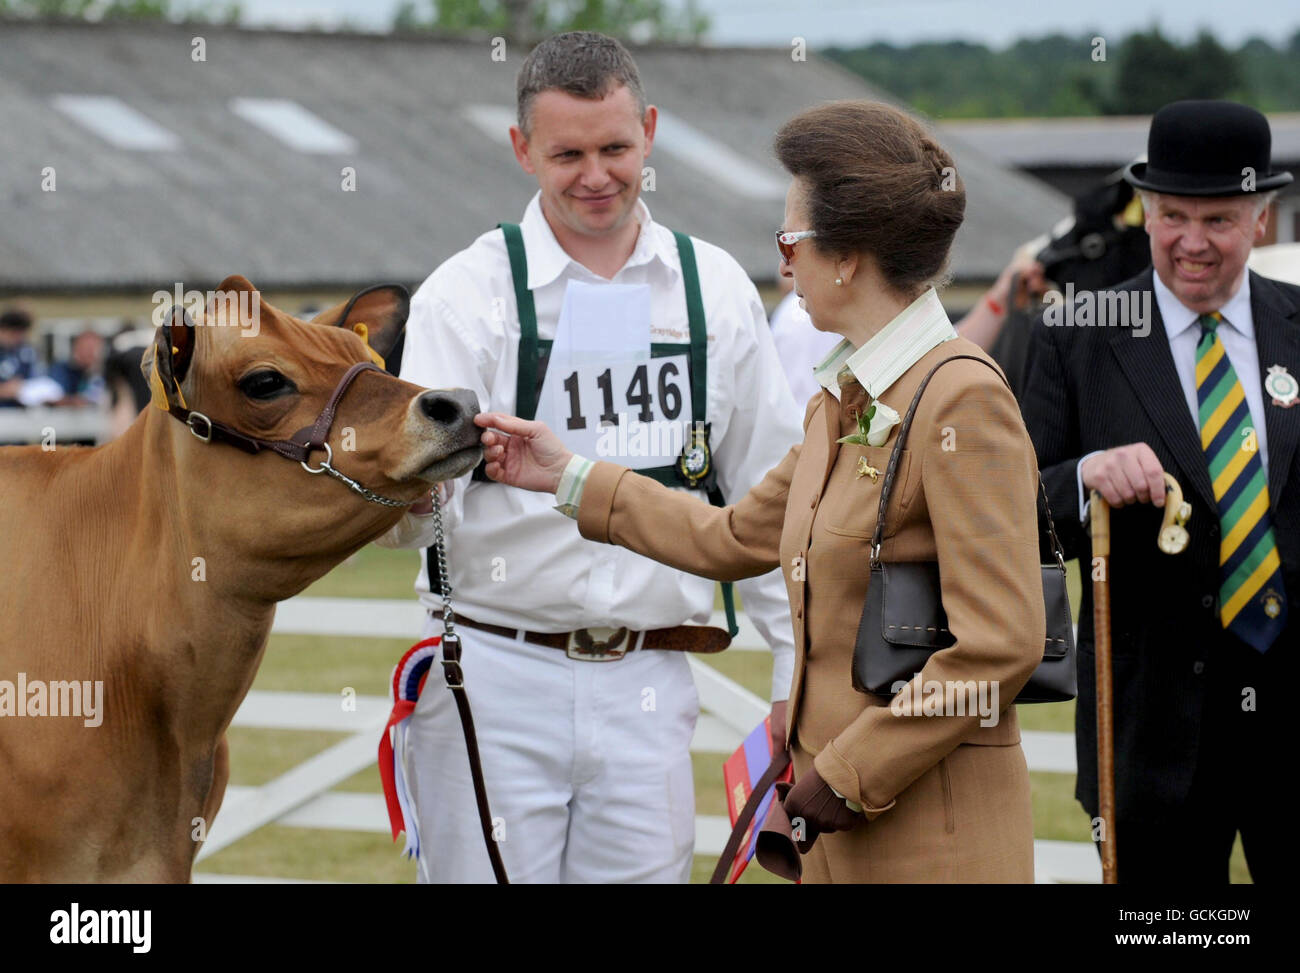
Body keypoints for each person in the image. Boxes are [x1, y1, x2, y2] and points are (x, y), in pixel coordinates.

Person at [477, 100, 1046, 883]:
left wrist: (845, 773)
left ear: (846, 257)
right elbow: (730, 536)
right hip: (836, 832)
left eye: (792, 241)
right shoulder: (840, 400)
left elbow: (999, 646)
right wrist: (565, 474)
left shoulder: (960, 399)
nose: (784, 265)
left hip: (930, 844)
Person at [375, 31, 801, 883]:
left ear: (649, 129)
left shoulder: (712, 288)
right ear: (522, 148)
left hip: (650, 676)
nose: (596, 174)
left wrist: (796, 667)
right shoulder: (466, 294)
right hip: (494, 672)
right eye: (567, 153)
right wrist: (416, 489)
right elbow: (408, 518)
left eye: (615, 147)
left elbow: (773, 498)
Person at [1021, 100, 1299, 883]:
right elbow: (1013, 506)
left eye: (1220, 219)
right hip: (1153, 741)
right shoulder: (1075, 332)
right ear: (1146, 212)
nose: (1193, 242)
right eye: (1172, 215)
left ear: (1261, 219)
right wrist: (1083, 478)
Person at [0, 309, 39, 409]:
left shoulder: (25, 351)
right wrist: (3, 390)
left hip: (19, 413)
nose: (18, 339)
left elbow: (35, 381)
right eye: (13, 334)